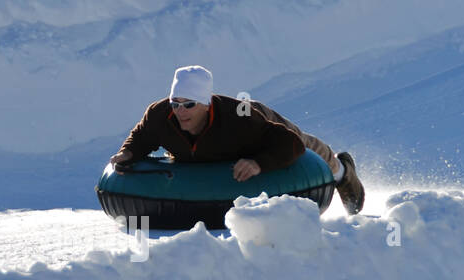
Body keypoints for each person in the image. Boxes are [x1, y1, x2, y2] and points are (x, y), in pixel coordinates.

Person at [109, 65, 366, 215]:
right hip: (217, 148)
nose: (180, 111)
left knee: (310, 149)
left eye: (189, 104)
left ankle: (344, 172)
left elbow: (291, 145)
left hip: (254, 117)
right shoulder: (160, 115)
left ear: (205, 104)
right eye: (175, 104)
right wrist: (128, 152)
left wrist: (258, 163)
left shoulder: (238, 121)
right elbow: (141, 136)